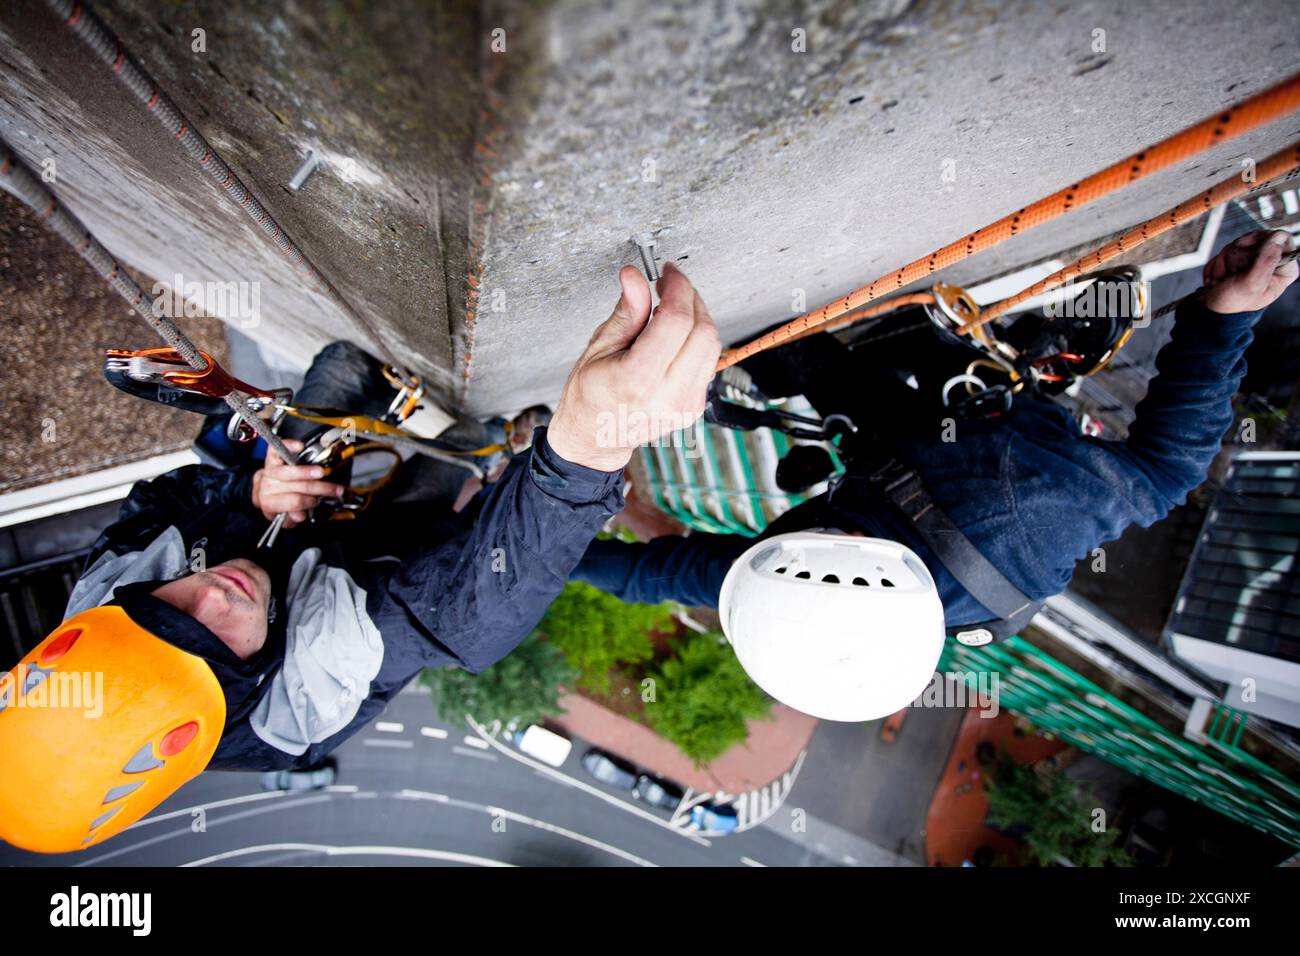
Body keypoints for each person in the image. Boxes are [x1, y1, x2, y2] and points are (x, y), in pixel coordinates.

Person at [0, 263, 720, 854]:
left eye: (164, 608)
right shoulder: (303, 700)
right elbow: (464, 620)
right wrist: (585, 451)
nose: (211, 595)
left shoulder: (100, 612)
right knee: (457, 470)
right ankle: (484, 447)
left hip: (294, 521)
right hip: (375, 571)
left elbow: (158, 503)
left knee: (342, 372)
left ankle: (437, 427)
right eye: (208, 645)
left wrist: (248, 493)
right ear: (222, 703)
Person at [573, 230, 1298, 718]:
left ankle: (784, 349)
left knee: (791, 358)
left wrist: (538, 544)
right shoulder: (1033, 511)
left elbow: (660, 573)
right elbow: (1168, 468)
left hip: (895, 462)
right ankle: (1040, 364)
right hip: (985, 446)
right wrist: (1223, 316)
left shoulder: (791, 591)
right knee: (919, 368)